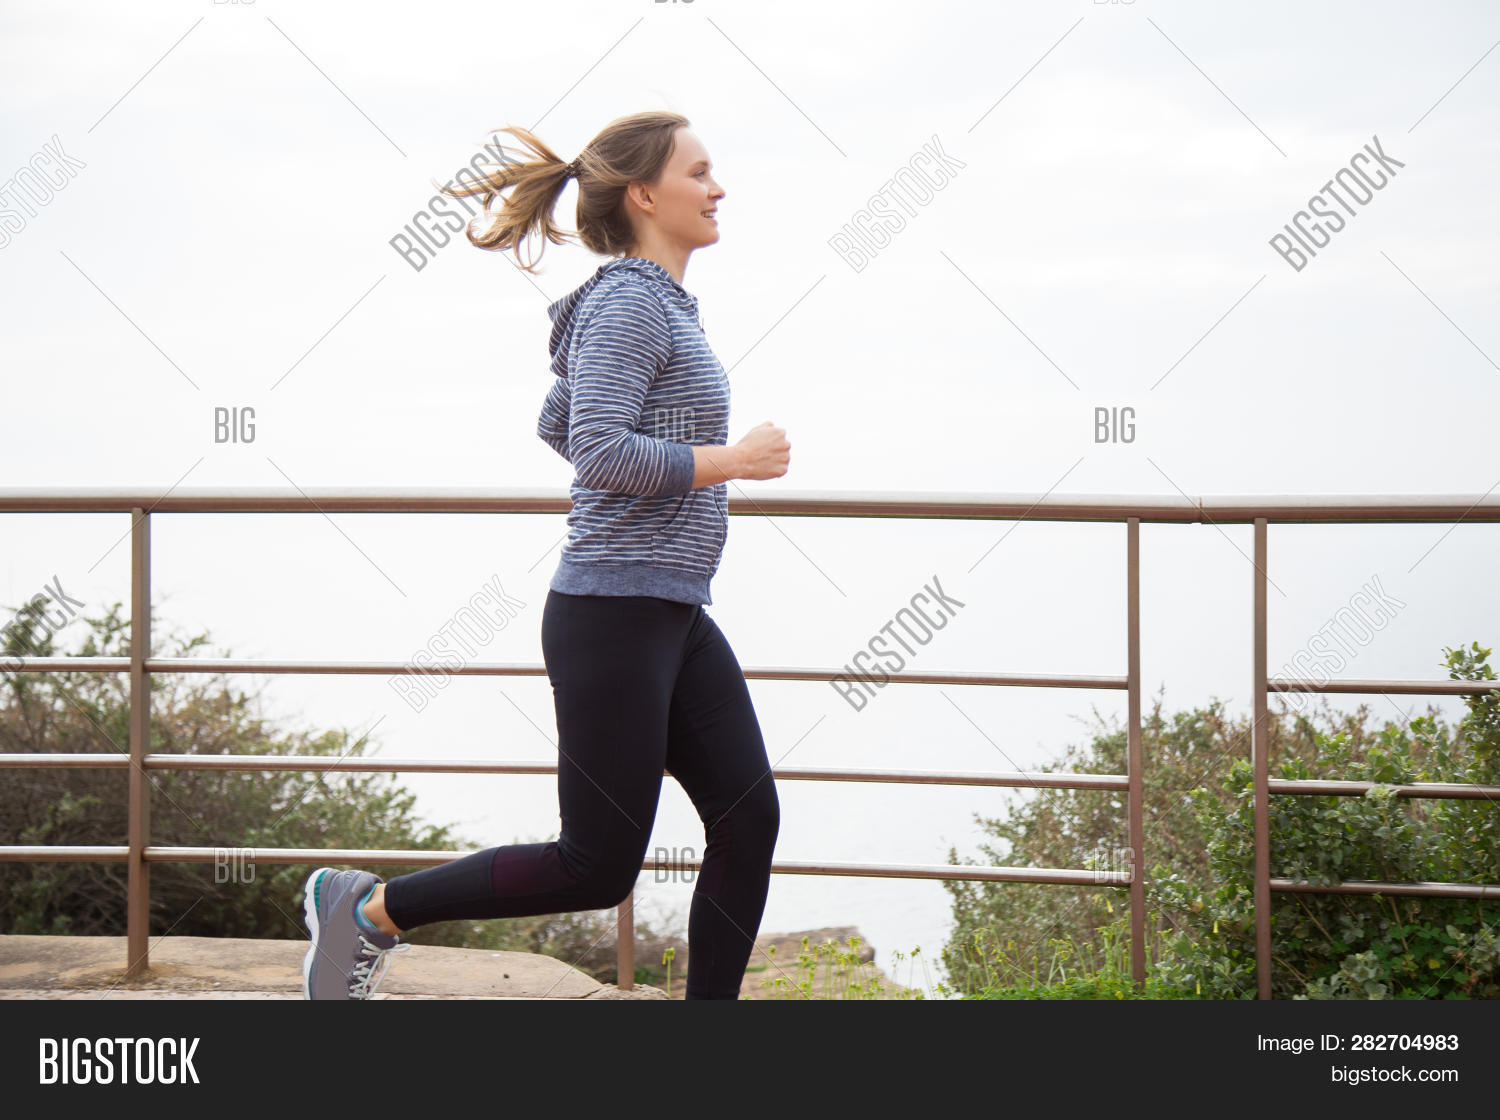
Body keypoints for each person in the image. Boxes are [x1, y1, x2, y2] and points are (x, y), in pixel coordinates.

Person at [302, 110, 791, 1000]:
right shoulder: (633, 303)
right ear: (645, 193)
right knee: (596, 866)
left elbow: (557, 421)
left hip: (670, 609)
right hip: (613, 615)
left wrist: (671, 479)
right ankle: (365, 913)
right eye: (700, 172)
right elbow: (598, 449)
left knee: (747, 815)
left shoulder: (654, 302)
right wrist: (731, 461)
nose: (719, 189)